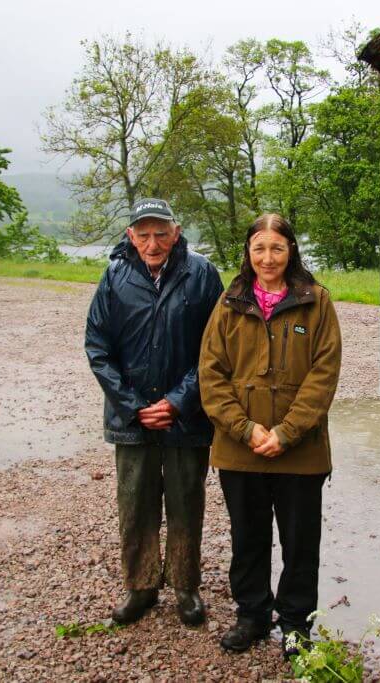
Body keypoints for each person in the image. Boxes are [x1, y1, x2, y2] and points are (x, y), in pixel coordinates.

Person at [199, 213, 342, 655]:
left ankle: (297, 625)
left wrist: (286, 432)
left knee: (301, 543)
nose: (267, 257)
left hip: (300, 452)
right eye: (258, 248)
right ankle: (253, 615)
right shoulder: (228, 303)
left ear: (291, 250)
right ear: (248, 252)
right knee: (248, 537)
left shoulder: (316, 302)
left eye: (276, 248)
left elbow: (324, 375)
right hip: (240, 452)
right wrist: (246, 430)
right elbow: (211, 375)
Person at [85, 198, 223, 627]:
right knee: (135, 503)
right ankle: (140, 586)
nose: (153, 242)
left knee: (186, 502)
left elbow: (217, 349)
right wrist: (134, 406)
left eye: (161, 233)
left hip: (187, 418)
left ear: (176, 232)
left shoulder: (202, 274)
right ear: (131, 236)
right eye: (143, 234)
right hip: (132, 420)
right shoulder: (114, 275)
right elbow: (97, 347)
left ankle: (185, 586)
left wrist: (180, 401)